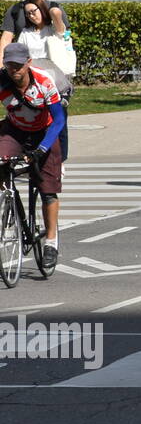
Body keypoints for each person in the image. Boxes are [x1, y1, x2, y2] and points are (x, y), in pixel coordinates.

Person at [0, 42, 64, 267]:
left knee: (48, 191)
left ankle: (51, 242)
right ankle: (8, 202)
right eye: (10, 65)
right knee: (1, 163)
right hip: (15, 129)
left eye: (18, 65)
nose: (14, 70)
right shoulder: (2, 82)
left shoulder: (44, 82)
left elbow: (59, 119)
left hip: (44, 132)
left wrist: (42, 149)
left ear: (28, 62)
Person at [15, 0, 71, 159]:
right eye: (28, 14)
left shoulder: (52, 29)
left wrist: (53, 10)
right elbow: (20, 53)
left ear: (42, 9)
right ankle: (36, 155)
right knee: (37, 119)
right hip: (35, 82)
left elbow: (59, 22)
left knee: (59, 119)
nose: (32, 16)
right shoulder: (25, 33)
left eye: (34, 11)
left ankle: (61, 160)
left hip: (56, 81)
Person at [0, 0, 65, 51]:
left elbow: (65, 35)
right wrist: (2, 58)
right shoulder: (15, 9)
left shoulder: (54, 7)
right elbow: (6, 38)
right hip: (24, 57)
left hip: (52, 56)